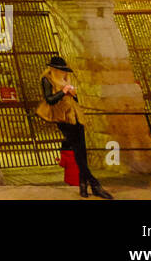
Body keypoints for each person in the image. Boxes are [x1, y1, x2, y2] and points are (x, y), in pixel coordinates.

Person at [35, 56, 113, 198]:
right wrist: (63, 91)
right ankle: (95, 184)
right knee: (77, 150)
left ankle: (83, 187)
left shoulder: (65, 81)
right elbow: (49, 99)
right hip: (63, 118)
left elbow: (72, 100)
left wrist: (72, 94)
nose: (65, 73)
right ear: (55, 70)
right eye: (62, 70)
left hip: (76, 117)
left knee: (81, 152)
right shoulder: (47, 79)